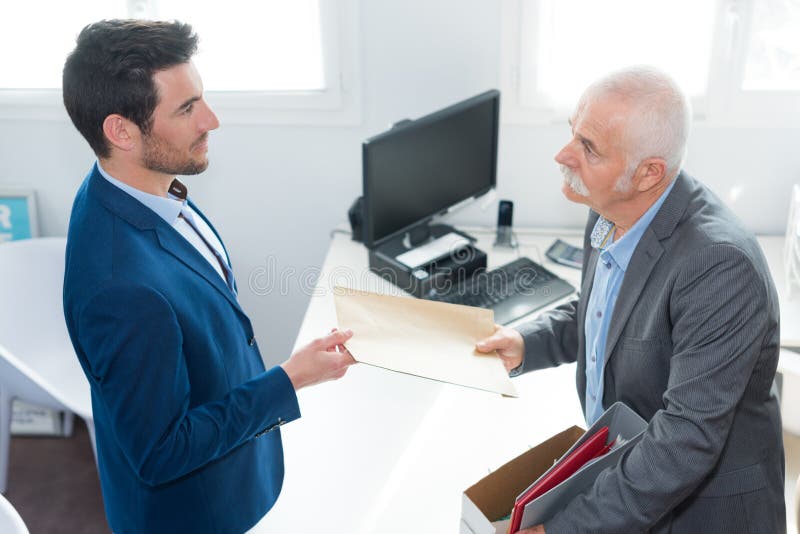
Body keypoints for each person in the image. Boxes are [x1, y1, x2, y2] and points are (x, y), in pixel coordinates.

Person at [61, 19, 354, 534]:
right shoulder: (121, 289)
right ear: (121, 131)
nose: (211, 120)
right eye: (187, 108)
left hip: (239, 467)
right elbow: (160, 453)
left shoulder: (140, 188)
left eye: (202, 99)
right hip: (199, 514)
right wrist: (290, 379)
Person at [477, 66, 785, 533]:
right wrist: (526, 341)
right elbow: (605, 309)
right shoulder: (611, 207)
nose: (563, 155)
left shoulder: (719, 266)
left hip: (699, 510)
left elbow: (683, 442)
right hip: (628, 470)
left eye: (589, 148)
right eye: (571, 135)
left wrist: (565, 529)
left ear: (648, 173)